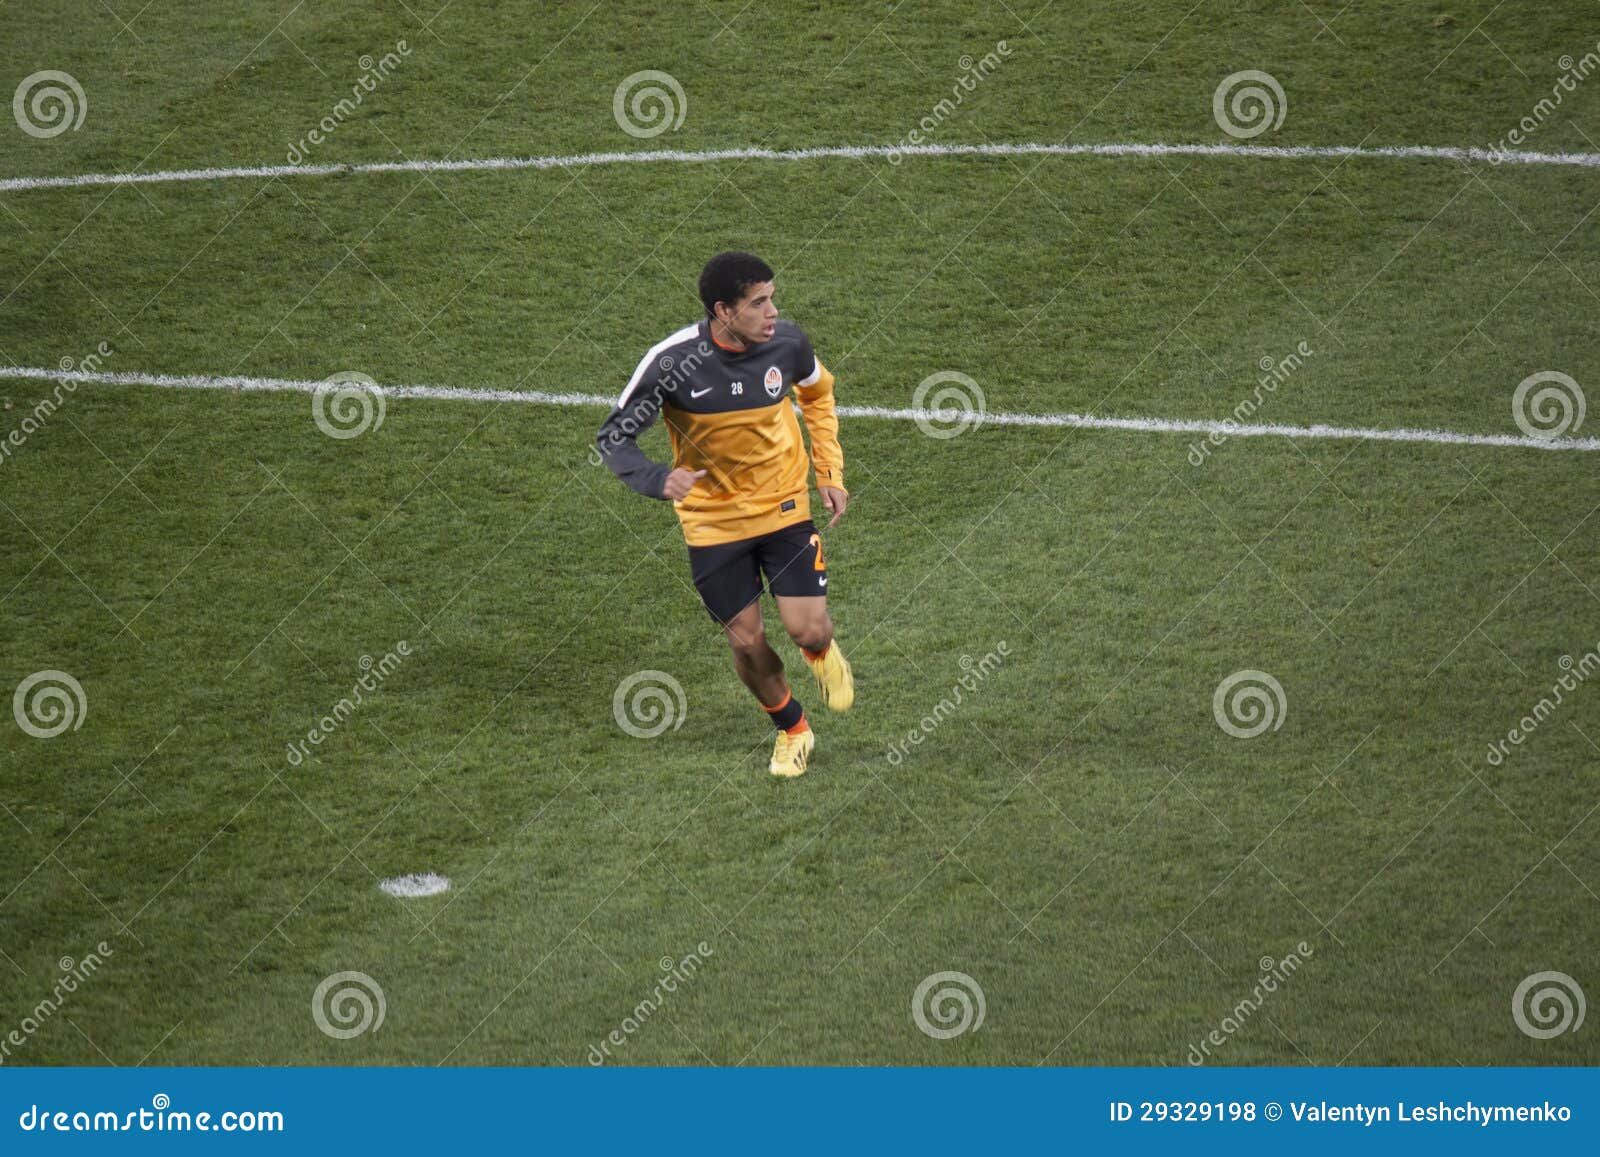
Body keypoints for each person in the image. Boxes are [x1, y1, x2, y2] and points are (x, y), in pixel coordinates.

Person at [596, 251, 854, 777]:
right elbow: (614, 437)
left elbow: (818, 395)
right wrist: (655, 479)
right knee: (746, 639)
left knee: (807, 630)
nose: (773, 311)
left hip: (783, 507)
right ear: (723, 311)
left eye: (772, 297)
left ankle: (821, 652)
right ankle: (792, 729)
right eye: (758, 303)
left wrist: (829, 472)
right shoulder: (673, 363)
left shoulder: (788, 343)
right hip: (712, 523)